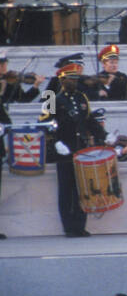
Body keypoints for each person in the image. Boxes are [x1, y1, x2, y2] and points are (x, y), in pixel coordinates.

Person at [35, 56, 102, 238]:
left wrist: (104, 135)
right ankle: (68, 226)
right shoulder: (52, 98)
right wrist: (56, 141)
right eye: (69, 79)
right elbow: (44, 123)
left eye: (75, 79)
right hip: (63, 150)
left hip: (80, 148)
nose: (73, 82)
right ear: (62, 80)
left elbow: (89, 121)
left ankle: (80, 225)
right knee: (66, 190)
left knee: (81, 188)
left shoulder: (82, 97)